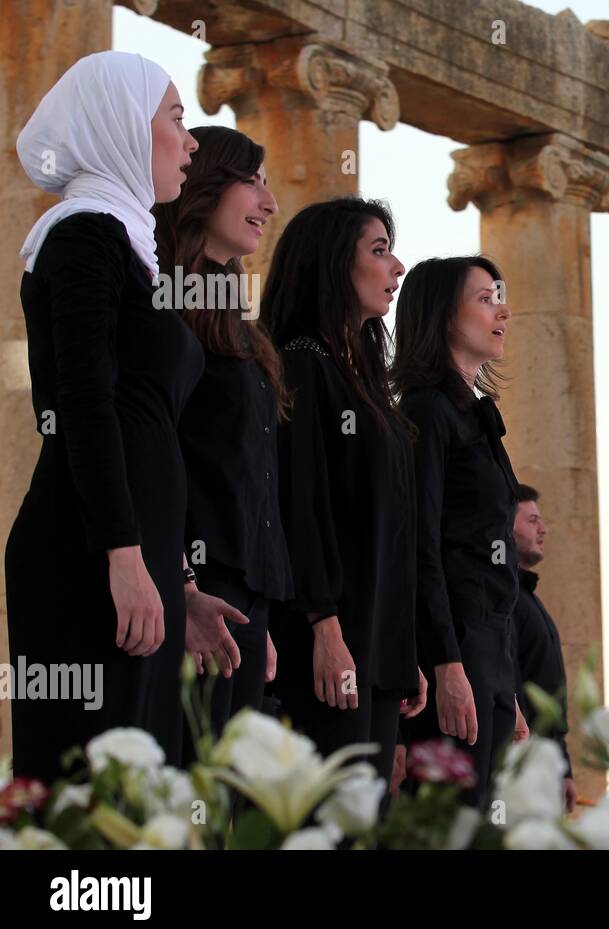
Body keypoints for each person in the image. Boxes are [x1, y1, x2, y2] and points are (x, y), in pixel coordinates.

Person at [6, 51, 245, 778]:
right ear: (120, 126)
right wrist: (121, 554)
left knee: (139, 804)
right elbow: (83, 404)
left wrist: (176, 581)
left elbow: (141, 424)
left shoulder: (126, 241)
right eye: (175, 118)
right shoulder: (83, 234)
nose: (192, 140)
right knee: (90, 802)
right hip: (91, 560)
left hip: (133, 561)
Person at [262, 197, 425, 783]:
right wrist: (324, 629)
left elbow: (395, 533)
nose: (397, 267)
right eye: (379, 251)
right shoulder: (301, 365)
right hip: (328, 641)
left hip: (375, 646)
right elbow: (300, 509)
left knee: (364, 824)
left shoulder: (366, 383)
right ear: (333, 263)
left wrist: (402, 653)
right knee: (323, 824)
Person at [154, 125, 292, 757]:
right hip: (190, 585)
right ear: (203, 185)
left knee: (223, 806)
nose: (268, 203)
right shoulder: (160, 302)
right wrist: (183, 590)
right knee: (184, 795)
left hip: (242, 595)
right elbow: (155, 456)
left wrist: (257, 610)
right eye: (251, 181)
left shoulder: (241, 324)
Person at [392, 255, 529, 810]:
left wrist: (508, 686)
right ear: (443, 315)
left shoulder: (474, 415)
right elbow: (420, 546)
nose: (504, 310)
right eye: (485, 298)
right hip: (454, 650)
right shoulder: (426, 410)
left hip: (489, 652)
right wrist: (446, 663)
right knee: (449, 824)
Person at [511, 484, 575, 813]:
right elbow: (508, 678)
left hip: (545, 763)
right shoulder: (505, 601)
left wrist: (563, 766)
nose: (543, 528)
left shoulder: (530, 600)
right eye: (532, 519)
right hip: (520, 761)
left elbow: (548, 690)